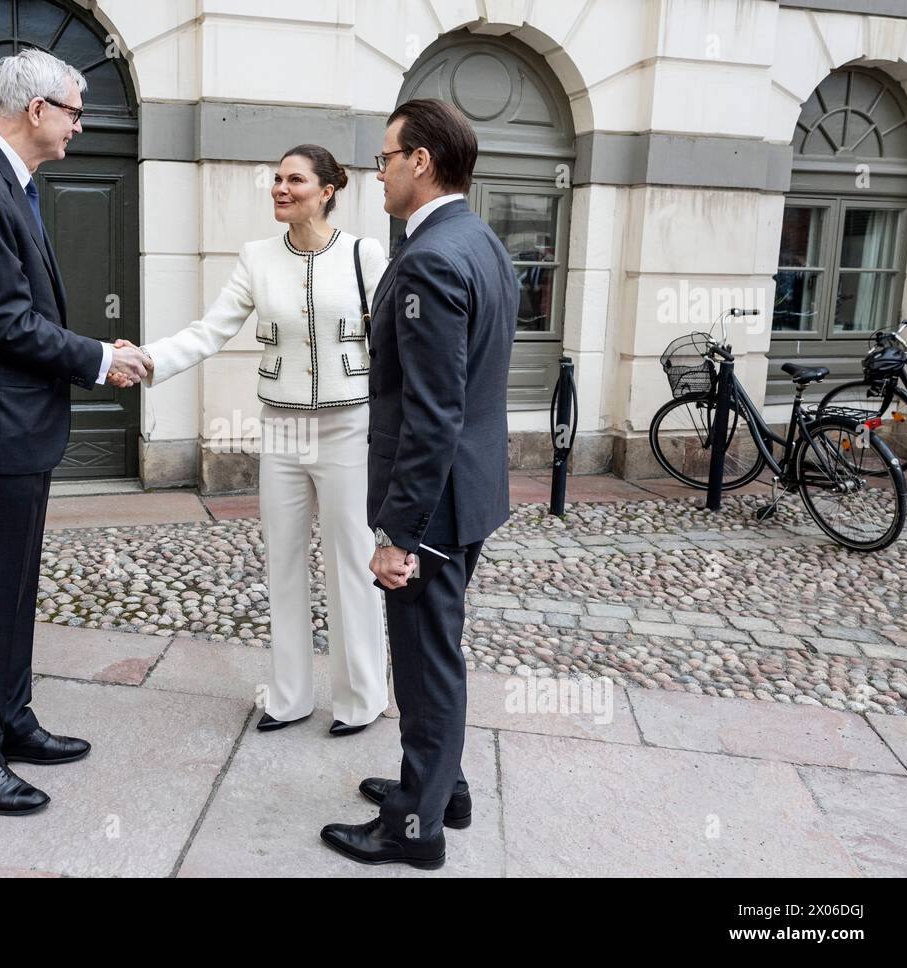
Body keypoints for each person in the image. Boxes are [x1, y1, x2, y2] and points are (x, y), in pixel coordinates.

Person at [0, 48, 150, 816]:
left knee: (15, 586)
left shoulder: (6, 183)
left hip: (11, 421)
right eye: (76, 111)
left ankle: (11, 718)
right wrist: (98, 359)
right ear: (37, 110)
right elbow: (6, 323)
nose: (81, 126)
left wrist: (95, 350)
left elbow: (19, 314)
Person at [320, 99, 518, 869]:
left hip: (435, 503)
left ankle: (416, 828)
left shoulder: (433, 256)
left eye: (385, 159)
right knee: (439, 649)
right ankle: (446, 789)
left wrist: (399, 534)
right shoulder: (480, 240)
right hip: (468, 491)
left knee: (428, 662)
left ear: (421, 162)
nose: (378, 172)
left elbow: (432, 413)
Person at [132, 145, 389, 736]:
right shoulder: (256, 258)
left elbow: (394, 340)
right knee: (284, 559)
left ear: (327, 190)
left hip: (349, 424)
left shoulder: (362, 254)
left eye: (294, 180)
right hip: (283, 426)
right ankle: (289, 696)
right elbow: (211, 329)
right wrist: (149, 360)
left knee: (352, 560)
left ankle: (361, 698)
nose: (280, 188)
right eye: (275, 179)